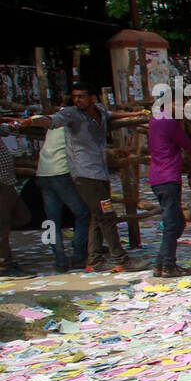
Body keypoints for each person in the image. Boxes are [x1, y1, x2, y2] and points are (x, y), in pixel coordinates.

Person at [15, 82, 136, 271]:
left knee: (58, 217)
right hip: (70, 173)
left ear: (93, 98)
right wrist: (32, 121)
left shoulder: (98, 112)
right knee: (90, 214)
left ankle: (67, 260)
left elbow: (110, 115)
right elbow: (49, 120)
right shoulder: (69, 115)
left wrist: (136, 114)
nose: (77, 100)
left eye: (81, 96)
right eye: (75, 97)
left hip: (46, 172)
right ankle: (94, 257)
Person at [32, 121, 89, 273]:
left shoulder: (53, 121)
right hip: (60, 173)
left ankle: (59, 260)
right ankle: (78, 257)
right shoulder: (75, 120)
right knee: (82, 214)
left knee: (52, 220)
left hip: (43, 172)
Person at [147, 105, 191, 277]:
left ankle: (160, 263)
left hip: (157, 178)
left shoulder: (154, 121)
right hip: (167, 177)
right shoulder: (169, 122)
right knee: (172, 224)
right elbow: (187, 143)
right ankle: (168, 265)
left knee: (177, 222)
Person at [0, 131, 33, 277]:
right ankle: (4, 265)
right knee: (2, 226)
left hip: (7, 182)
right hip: (1, 184)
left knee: (23, 216)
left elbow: (7, 130)